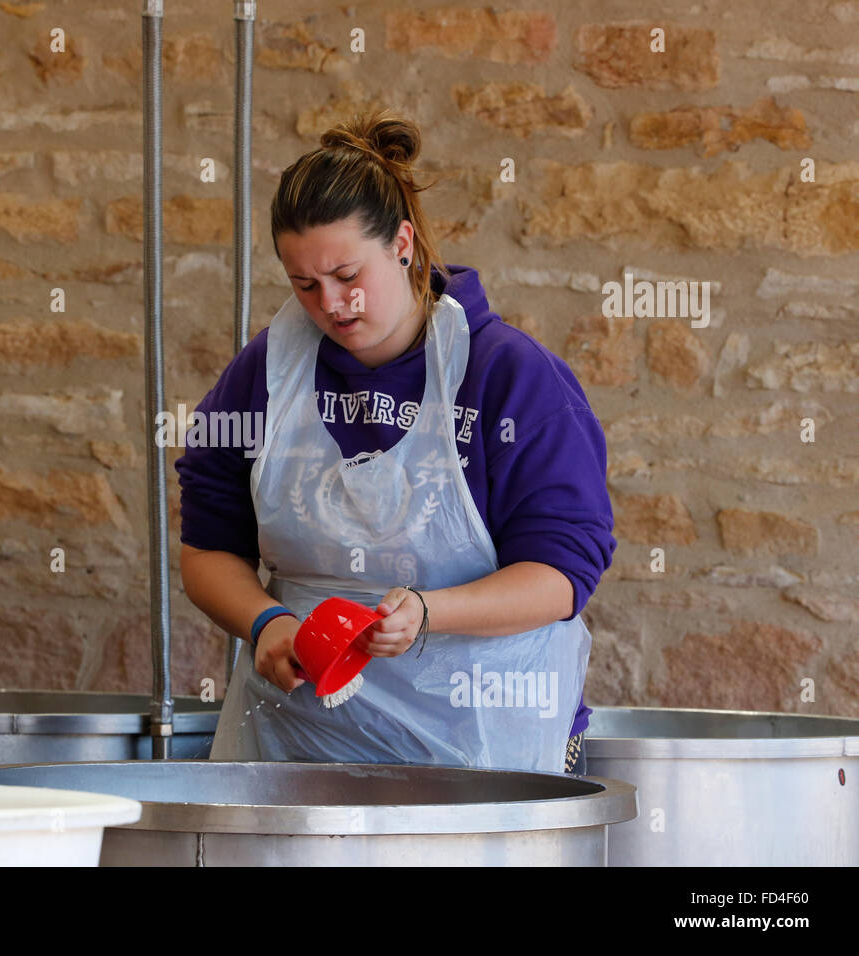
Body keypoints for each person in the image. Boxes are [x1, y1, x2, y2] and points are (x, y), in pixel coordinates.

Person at [174, 108, 615, 774]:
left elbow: (562, 574)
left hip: (484, 749)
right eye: (305, 285)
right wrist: (267, 624)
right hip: (302, 745)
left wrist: (428, 612)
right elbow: (208, 548)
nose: (331, 305)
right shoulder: (268, 374)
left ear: (403, 244)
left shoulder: (511, 377)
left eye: (349, 276)